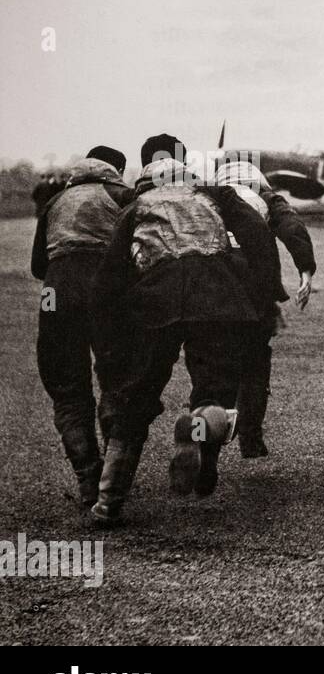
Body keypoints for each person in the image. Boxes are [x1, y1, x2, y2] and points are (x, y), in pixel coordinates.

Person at [90, 134, 282, 525]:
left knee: (137, 396)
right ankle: (196, 431)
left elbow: (109, 277)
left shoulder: (137, 204)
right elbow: (258, 237)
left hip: (155, 298)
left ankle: (108, 501)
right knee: (213, 390)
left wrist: (112, 335)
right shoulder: (214, 194)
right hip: (216, 295)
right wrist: (262, 293)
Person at [30, 146, 133, 511]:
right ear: (116, 169)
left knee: (67, 387)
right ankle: (111, 480)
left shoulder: (55, 201)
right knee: (117, 379)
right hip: (105, 291)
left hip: (54, 293)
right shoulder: (123, 196)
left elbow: (38, 265)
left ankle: (88, 477)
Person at [213, 159, 317, 458]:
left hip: (214, 287)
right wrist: (305, 270)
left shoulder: (208, 195)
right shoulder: (266, 197)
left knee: (212, 365)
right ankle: (251, 439)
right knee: (255, 363)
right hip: (255, 289)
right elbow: (292, 227)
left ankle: (207, 437)